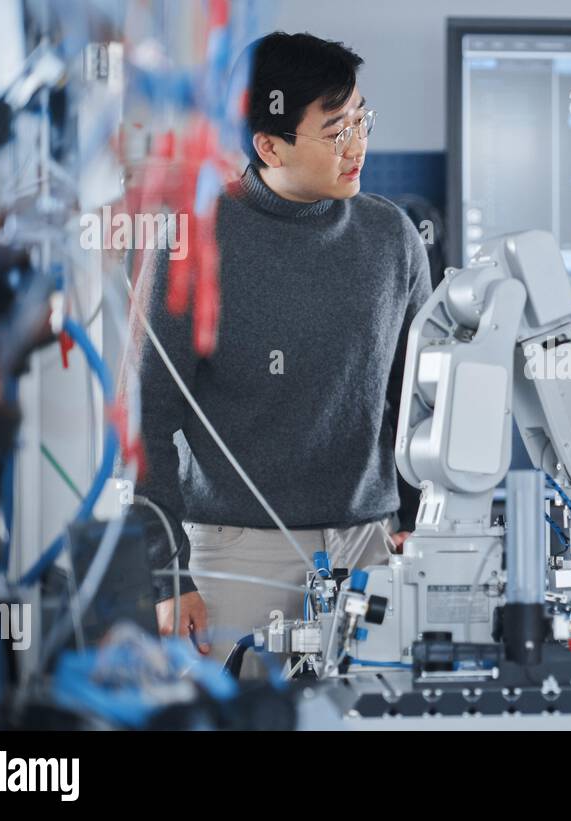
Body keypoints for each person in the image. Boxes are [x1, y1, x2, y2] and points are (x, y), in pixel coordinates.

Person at [128, 32, 431, 671]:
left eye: (362, 120)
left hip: (370, 549)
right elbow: (148, 414)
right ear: (269, 144)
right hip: (236, 559)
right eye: (335, 129)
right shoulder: (192, 243)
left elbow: (417, 392)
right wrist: (168, 572)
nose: (359, 144)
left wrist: (414, 513)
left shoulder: (393, 238)